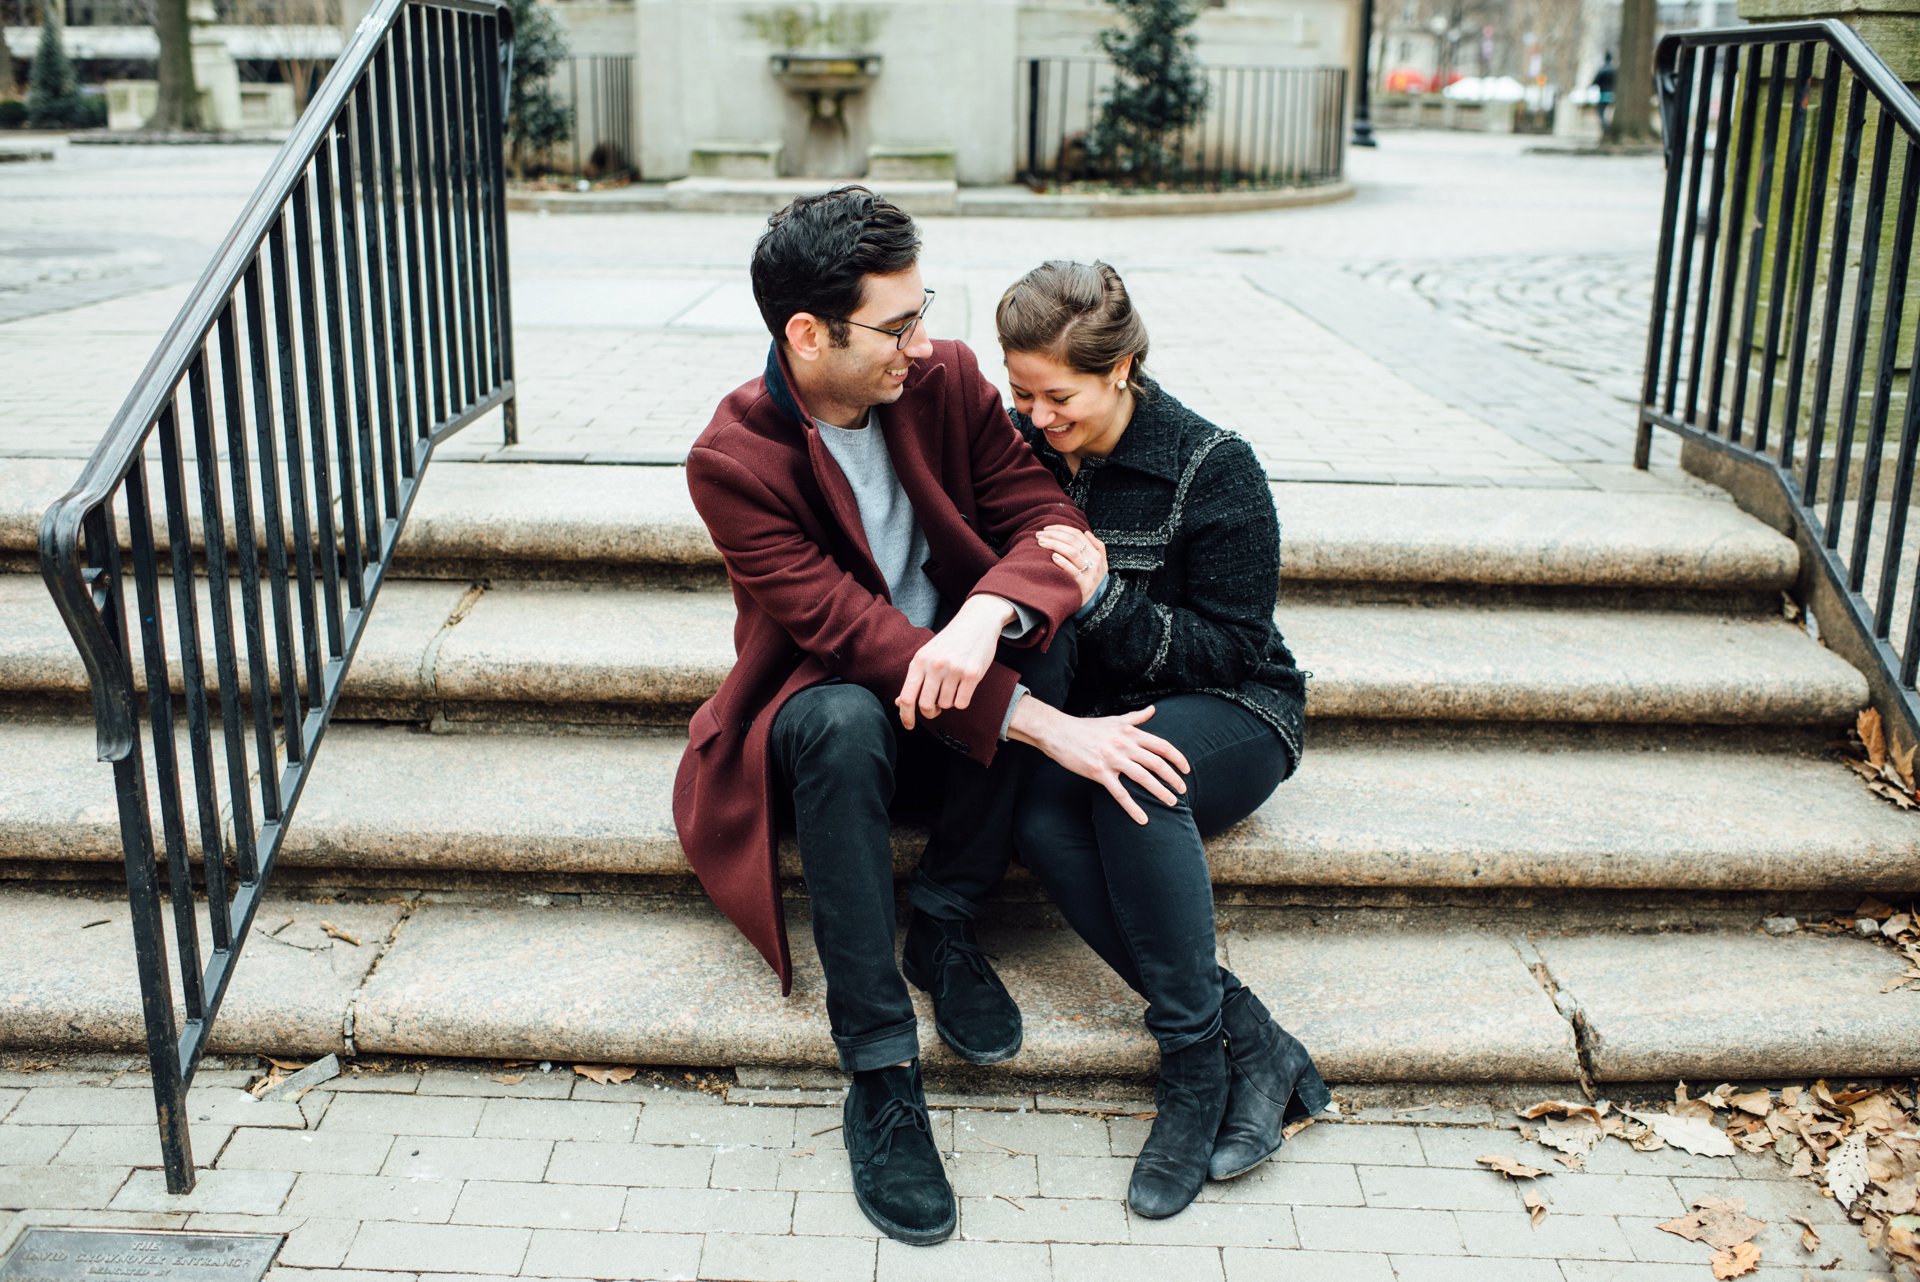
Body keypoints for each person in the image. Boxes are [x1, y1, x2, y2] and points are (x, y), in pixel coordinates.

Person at [674, 191, 1191, 1246]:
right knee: (840, 721)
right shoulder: (732, 459)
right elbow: (847, 629)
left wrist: (986, 614)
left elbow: (1045, 518)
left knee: (1039, 629)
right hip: (840, 714)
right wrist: (1045, 725)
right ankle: (880, 1070)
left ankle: (946, 921)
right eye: (897, 324)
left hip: (956, 709)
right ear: (808, 335)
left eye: (924, 309)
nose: (924, 339)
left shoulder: (943, 378)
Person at [995, 260, 1330, 1220]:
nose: (1036, 414)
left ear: (1124, 368)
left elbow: (1234, 645)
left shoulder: (1211, 465)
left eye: (1058, 395)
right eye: (1019, 390)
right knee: (1044, 819)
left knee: (1127, 782)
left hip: (1231, 708)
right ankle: (1252, 1037)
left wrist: (1106, 601)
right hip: (1086, 726)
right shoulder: (1016, 449)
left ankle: (1191, 1071)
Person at [1593, 51, 1618, 140]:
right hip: (1612, 95)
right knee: (1610, 112)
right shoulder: (1614, 70)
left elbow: (1595, 82)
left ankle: (1605, 129)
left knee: (1601, 113)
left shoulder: (1602, 69)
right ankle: (1609, 128)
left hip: (1603, 94)